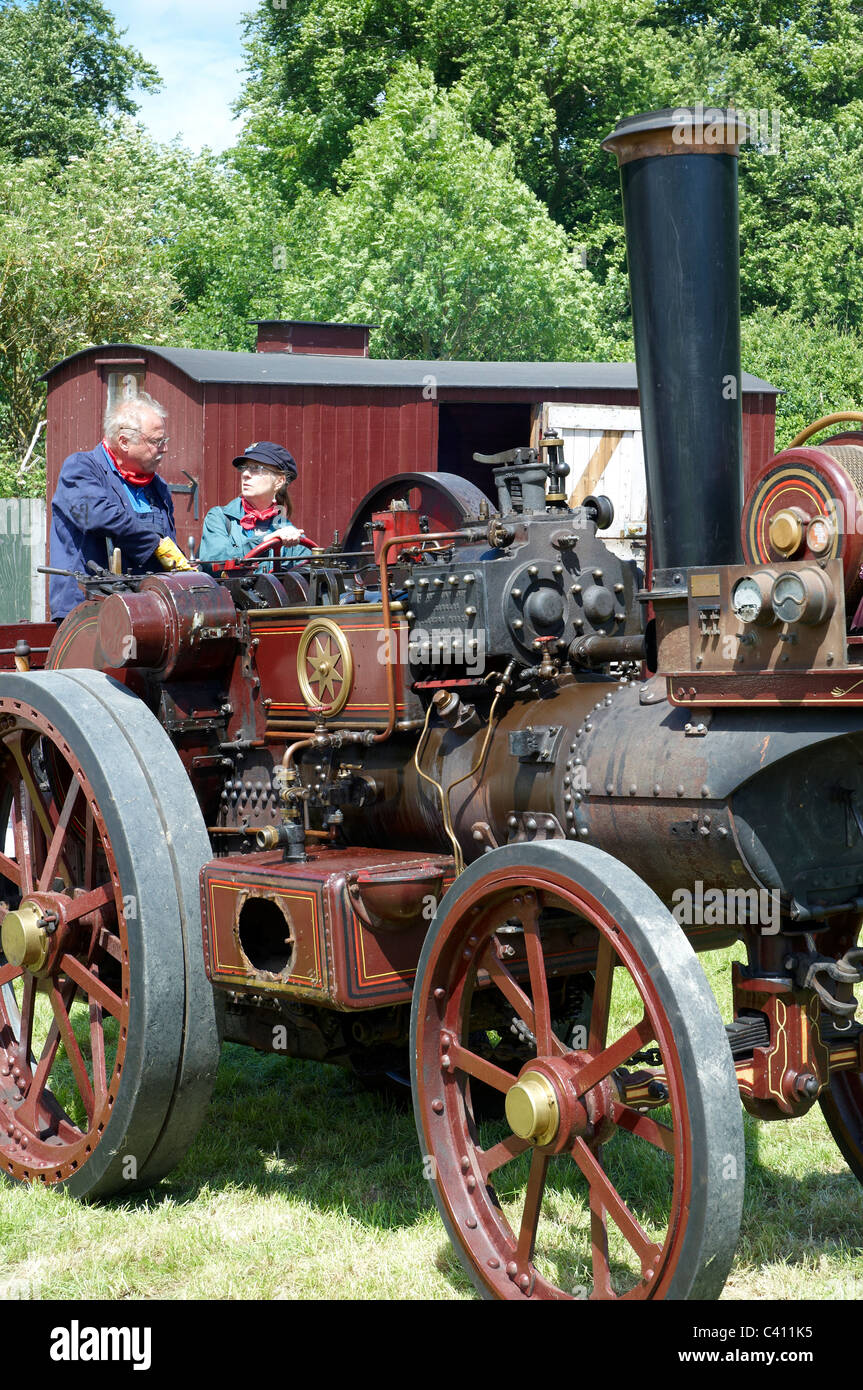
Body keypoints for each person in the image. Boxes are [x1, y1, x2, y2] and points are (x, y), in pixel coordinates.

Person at [49, 393, 191, 622]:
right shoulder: (80, 469)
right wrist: (155, 544)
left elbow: (168, 552)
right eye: (156, 442)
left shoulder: (158, 487)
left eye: (165, 441)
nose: (164, 449)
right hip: (87, 612)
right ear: (124, 441)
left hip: (148, 613)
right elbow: (97, 516)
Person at [198, 442, 310, 564]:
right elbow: (214, 560)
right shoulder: (220, 518)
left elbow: (308, 571)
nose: (245, 474)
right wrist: (264, 542)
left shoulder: (288, 532)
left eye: (256, 468)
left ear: (279, 481)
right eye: (244, 468)